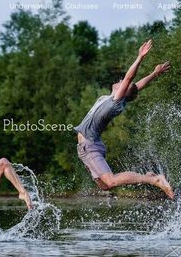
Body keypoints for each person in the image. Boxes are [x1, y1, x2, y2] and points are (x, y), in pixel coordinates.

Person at [74, 39, 174, 199]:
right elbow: (136, 87)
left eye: (122, 82)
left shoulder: (114, 103)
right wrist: (154, 74)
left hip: (90, 146)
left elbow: (129, 80)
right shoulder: (117, 99)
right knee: (104, 186)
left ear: (123, 89)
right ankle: (149, 176)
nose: (121, 80)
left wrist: (140, 57)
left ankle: (153, 179)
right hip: (91, 145)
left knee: (111, 181)